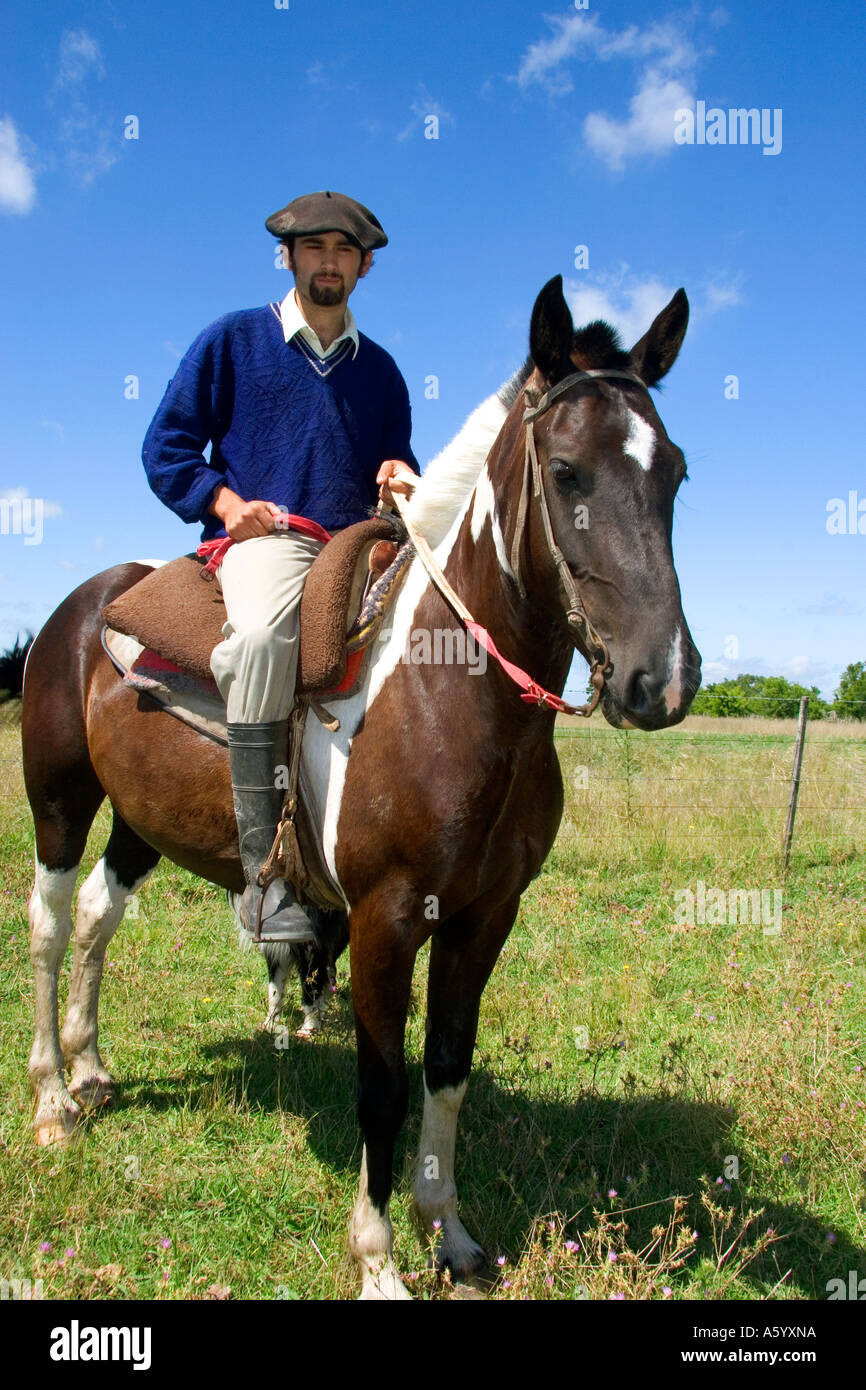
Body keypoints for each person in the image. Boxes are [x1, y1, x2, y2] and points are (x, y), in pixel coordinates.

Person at [142, 191, 419, 942]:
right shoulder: (232, 341)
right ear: (289, 257)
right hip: (270, 542)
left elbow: (393, 462)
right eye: (313, 247)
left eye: (344, 250)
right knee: (262, 641)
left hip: (358, 545)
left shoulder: (385, 374)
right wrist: (226, 504)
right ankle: (264, 883)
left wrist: (398, 471)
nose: (328, 261)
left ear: (364, 266)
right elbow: (164, 449)